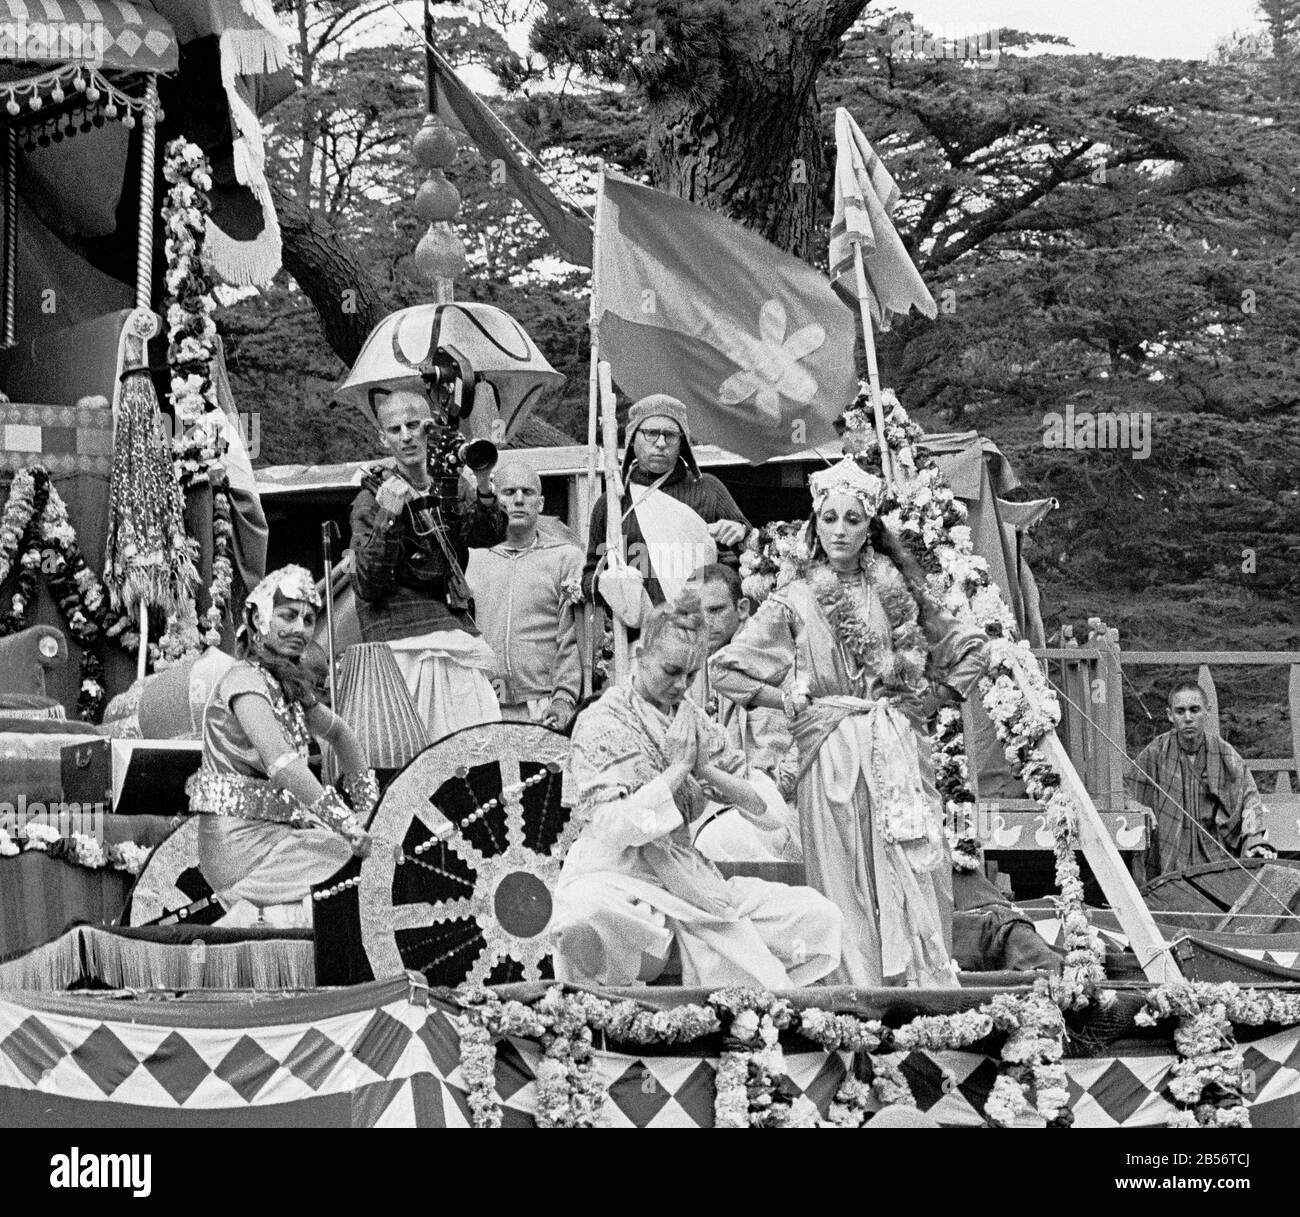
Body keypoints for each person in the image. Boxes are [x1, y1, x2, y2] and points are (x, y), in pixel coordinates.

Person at [711, 456, 990, 989]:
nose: (839, 530)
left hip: (897, 746)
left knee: (914, 860)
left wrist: (930, 700)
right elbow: (726, 668)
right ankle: (854, 994)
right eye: (830, 518)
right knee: (841, 874)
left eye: (852, 519)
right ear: (816, 525)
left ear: (870, 529)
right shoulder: (792, 599)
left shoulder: (900, 593)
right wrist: (786, 698)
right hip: (830, 748)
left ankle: (921, 987)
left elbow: (972, 647)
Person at [551, 591, 842, 989]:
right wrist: (677, 771)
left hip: (689, 877)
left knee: (817, 914)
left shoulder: (691, 719)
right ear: (639, 658)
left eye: (690, 675)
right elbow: (614, 829)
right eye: (670, 671)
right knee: (584, 912)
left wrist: (707, 770)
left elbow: (769, 813)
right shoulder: (602, 720)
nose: (680, 686)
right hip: (616, 873)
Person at [185, 566, 376, 925]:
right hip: (240, 851)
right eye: (288, 616)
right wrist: (346, 822)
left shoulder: (288, 688)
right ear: (259, 618)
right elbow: (282, 764)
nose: (301, 629)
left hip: (281, 835)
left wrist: (369, 809)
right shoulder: (244, 682)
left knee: (361, 859)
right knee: (354, 865)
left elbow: (342, 735)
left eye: (307, 619)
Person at [350, 387, 505, 739]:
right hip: (401, 643)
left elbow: (488, 535)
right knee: (417, 758)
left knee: (477, 748)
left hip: (456, 635)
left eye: (414, 425)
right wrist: (388, 516)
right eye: (395, 429)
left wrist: (482, 482)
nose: (406, 436)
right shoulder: (371, 497)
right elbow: (368, 584)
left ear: (429, 428)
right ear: (383, 438)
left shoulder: (450, 484)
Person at [583, 394, 750, 629]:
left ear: (682, 442)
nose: (661, 443)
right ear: (632, 438)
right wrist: (609, 584)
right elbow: (589, 576)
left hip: (705, 636)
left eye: (670, 435)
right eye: (651, 433)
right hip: (640, 644)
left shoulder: (708, 490)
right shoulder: (611, 505)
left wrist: (739, 531)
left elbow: (751, 555)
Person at [688, 563, 802, 863]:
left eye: (715, 611)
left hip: (783, 809)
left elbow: (802, 739)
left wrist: (768, 790)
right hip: (731, 800)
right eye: (697, 614)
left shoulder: (770, 655)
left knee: (715, 843)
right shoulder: (703, 663)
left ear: (742, 608)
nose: (705, 623)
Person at [466, 459, 583, 731]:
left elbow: (573, 637)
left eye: (527, 493)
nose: (518, 500)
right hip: (484, 703)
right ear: (494, 500)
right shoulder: (471, 559)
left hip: (544, 705)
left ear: (540, 503)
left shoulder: (566, 558)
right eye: (508, 493)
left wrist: (564, 699)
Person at [1129, 680, 1275, 881]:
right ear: (1170, 715)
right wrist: (1137, 806)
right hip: (1168, 855)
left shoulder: (1224, 754)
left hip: (1215, 855)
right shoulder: (1157, 751)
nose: (1188, 718)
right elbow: (1126, 787)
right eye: (1180, 711)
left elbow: (1249, 798)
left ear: (1207, 711)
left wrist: (1254, 840)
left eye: (1194, 710)